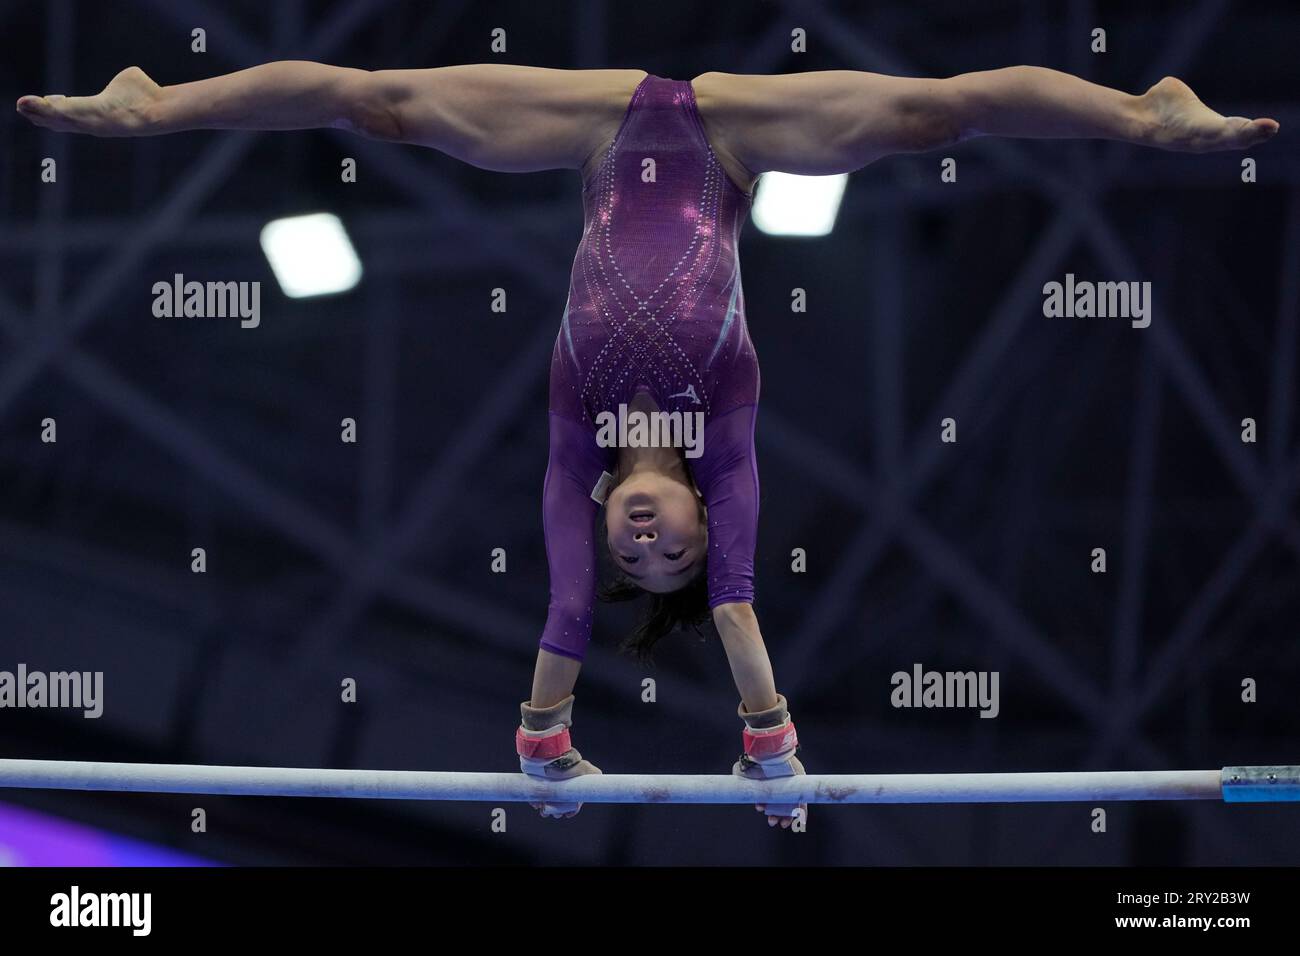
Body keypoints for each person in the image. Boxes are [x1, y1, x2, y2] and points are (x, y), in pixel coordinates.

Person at [18, 62, 1277, 829]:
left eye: (647, 560)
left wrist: (542, 742)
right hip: (733, 138)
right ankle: (1139, 105)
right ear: (699, 526)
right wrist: (772, 743)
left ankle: (155, 105)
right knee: (930, 117)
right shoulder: (726, 433)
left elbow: (568, 609)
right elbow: (732, 606)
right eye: (675, 550)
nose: (648, 543)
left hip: (595, 136)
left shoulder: (577, 448)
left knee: (383, 107)